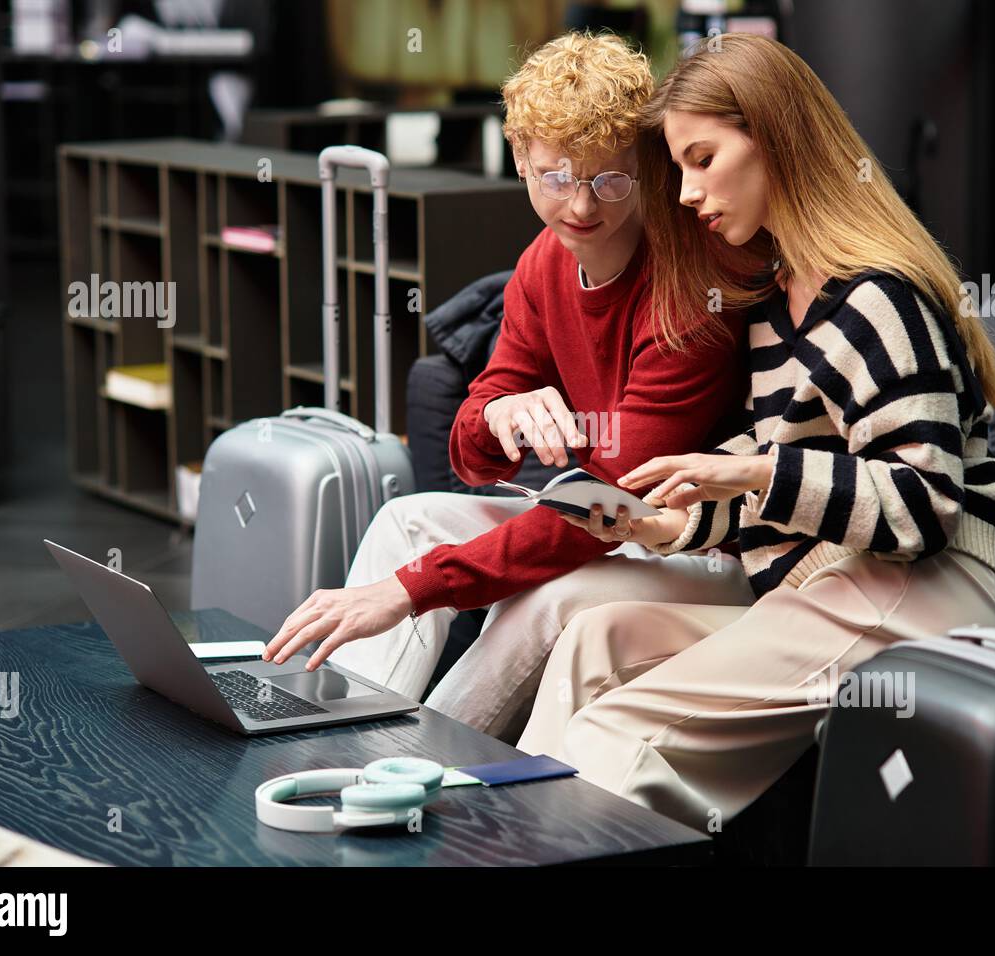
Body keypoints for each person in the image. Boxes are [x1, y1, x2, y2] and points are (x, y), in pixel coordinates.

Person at [516, 33, 995, 830]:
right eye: (677, 168)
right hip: (831, 584)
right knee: (593, 641)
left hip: (923, 594)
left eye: (702, 158)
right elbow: (793, 470)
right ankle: (506, 843)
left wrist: (748, 475)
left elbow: (923, 508)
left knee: (617, 733)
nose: (683, 193)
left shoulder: (877, 296)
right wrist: (677, 521)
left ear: (775, 138)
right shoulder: (779, 298)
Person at [260, 32, 756, 741]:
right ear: (520, 158)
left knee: (544, 595)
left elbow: (611, 505)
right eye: (557, 177)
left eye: (610, 180)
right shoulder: (543, 265)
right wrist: (497, 413)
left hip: (702, 548)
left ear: (647, 169)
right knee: (405, 522)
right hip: (612, 526)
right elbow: (472, 460)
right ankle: (333, 739)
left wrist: (406, 593)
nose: (582, 207)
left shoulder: (687, 291)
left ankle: (408, 770)